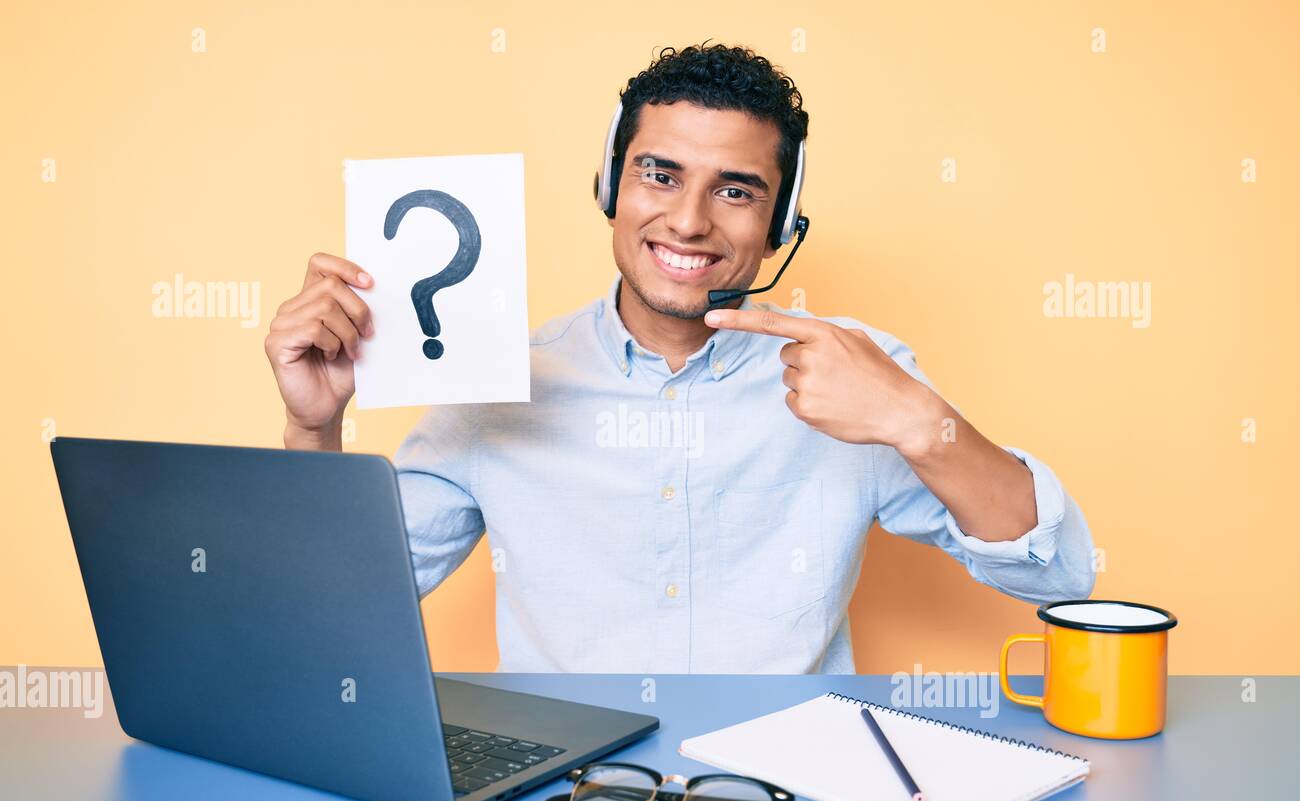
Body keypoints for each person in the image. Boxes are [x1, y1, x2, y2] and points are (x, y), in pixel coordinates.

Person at [264, 42, 1095, 674]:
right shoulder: (498, 383)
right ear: (609, 190)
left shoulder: (859, 375)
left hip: (786, 792)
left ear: (780, 227)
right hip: (566, 797)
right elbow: (330, 615)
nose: (690, 221)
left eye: (736, 190)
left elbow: (1058, 578)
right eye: (660, 175)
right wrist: (314, 424)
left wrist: (921, 421)